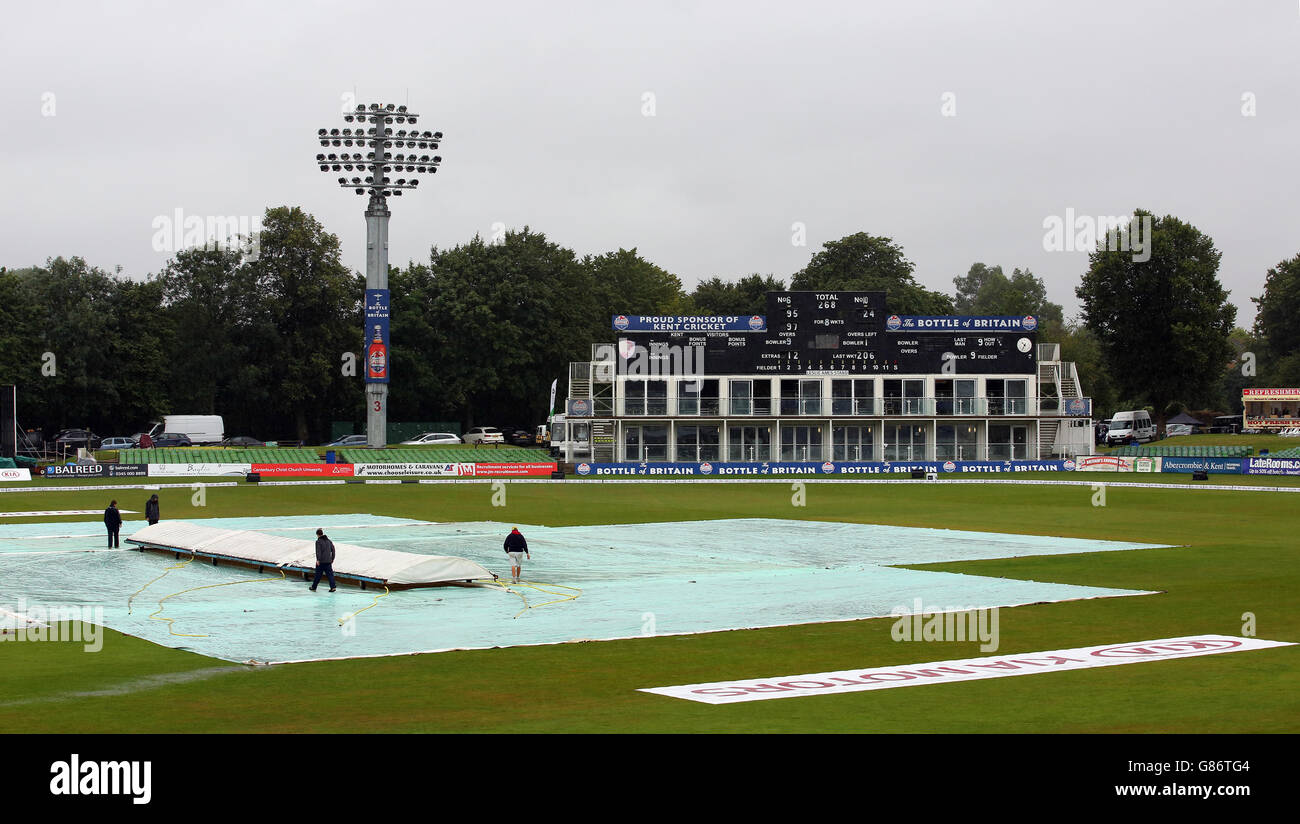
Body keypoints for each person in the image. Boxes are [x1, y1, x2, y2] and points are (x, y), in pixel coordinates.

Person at [310, 528, 337, 592]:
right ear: (322, 533)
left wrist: (318, 560)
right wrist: (332, 558)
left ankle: (314, 587)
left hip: (321, 561)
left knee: (318, 575)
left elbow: (318, 551)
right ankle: (333, 587)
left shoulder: (318, 542)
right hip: (328, 561)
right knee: (330, 575)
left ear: (317, 534)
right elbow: (333, 550)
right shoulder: (329, 541)